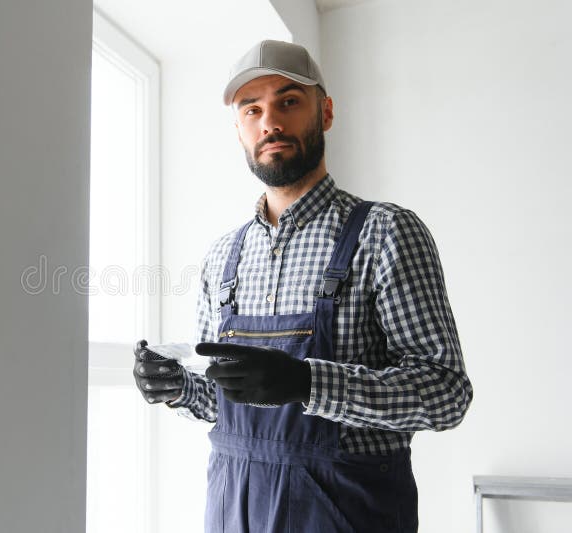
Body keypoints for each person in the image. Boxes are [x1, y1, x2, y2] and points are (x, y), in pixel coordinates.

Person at [133, 39, 473, 532]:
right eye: (253, 110)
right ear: (239, 129)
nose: (270, 121)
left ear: (326, 112)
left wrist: (309, 383)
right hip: (234, 509)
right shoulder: (222, 257)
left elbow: (445, 394)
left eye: (288, 102)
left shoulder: (384, 232)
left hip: (344, 513)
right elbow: (225, 402)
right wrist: (178, 388)